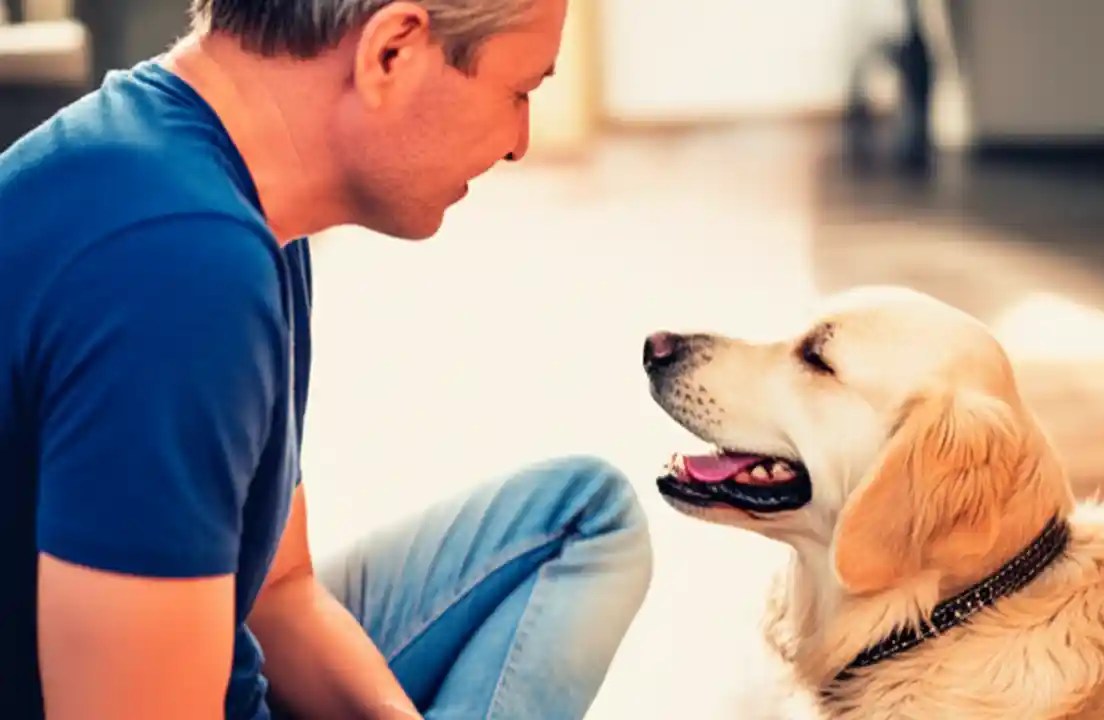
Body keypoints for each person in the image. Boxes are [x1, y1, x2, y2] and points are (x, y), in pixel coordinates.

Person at [0, 0, 653, 718]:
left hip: (213, 667)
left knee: (583, 515)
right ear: (392, 52)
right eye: (519, 91)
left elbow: (275, 592)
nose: (518, 143)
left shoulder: (232, 189)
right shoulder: (178, 270)